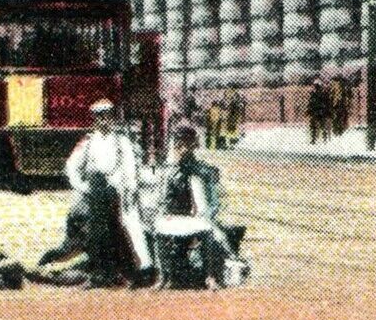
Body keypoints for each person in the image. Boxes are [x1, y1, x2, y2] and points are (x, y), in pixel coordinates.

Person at [45, 100, 153, 287]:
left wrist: (129, 191)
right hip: (95, 194)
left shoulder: (121, 141)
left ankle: (144, 269)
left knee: (131, 224)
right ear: (95, 119)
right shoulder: (88, 142)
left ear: (112, 117)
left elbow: (130, 170)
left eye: (107, 116)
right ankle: (99, 271)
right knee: (86, 224)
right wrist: (82, 187)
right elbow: (71, 166)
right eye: (100, 116)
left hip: (119, 193)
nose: (104, 120)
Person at [153, 125, 247, 289]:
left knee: (207, 229)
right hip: (175, 218)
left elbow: (212, 203)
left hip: (197, 219)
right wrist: (167, 213)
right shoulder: (169, 171)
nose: (182, 149)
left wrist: (202, 214)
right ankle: (164, 277)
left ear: (193, 145)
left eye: (187, 144)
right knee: (159, 227)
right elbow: (164, 200)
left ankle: (210, 277)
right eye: (179, 144)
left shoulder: (203, 170)